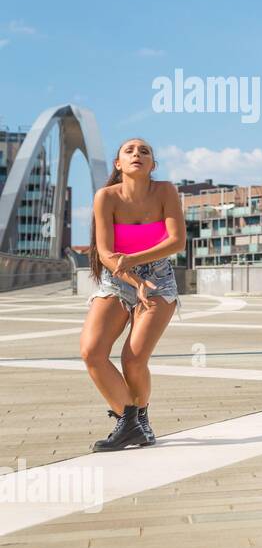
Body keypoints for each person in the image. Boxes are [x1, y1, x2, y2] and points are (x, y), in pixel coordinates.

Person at [80, 137, 185, 451]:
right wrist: (130, 278)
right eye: (129, 150)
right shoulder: (106, 197)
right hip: (117, 279)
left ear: (152, 164)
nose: (137, 154)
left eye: (145, 151)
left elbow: (177, 242)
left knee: (134, 358)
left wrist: (139, 269)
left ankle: (139, 423)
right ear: (118, 164)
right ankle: (130, 423)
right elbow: (105, 251)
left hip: (157, 280)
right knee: (92, 351)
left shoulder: (165, 191)